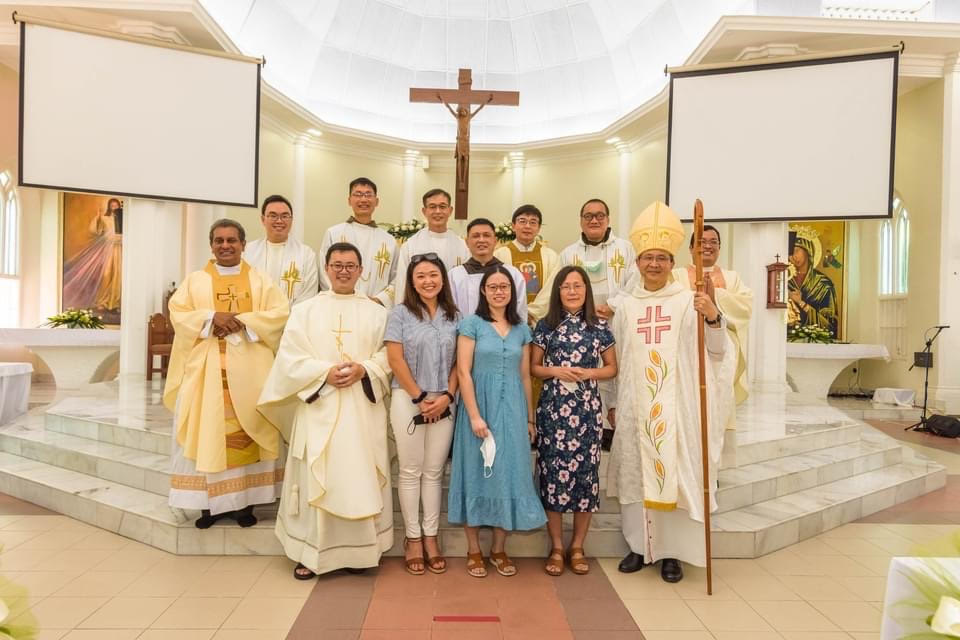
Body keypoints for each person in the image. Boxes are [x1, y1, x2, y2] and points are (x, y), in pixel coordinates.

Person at [607, 201, 736, 583]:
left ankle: (672, 554)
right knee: (634, 474)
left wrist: (712, 315)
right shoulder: (625, 306)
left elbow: (716, 351)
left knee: (675, 475)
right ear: (637, 263)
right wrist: (613, 402)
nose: (654, 265)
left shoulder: (688, 300)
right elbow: (617, 358)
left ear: (671, 261)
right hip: (634, 406)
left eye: (662, 258)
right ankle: (639, 546)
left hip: (675, 407)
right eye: (648, 258)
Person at [258, 242, 393, 579]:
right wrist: (324, 373)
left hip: (361, 409)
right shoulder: (305, 310)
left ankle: (362, 553)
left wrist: (364, 369)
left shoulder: (378, 312)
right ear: (326, 269)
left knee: (359, 475)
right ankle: (310, 553)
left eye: (350, 265)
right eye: (337, 265)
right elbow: (289, 357)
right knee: (319, 478)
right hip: (319, 406)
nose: (344, 271)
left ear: (361, 271)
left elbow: (390, 356)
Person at [165, 219, 289, 528]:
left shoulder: (261, 281)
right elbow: (177, 313)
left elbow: (280, 313)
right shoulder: (195, 281)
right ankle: (209, 505)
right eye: (219, 240)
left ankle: (243, 504)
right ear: (211, 245)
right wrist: (210, 317)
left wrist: (244, 320)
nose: (225, 246)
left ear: (244, 245)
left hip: (251, 372)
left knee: (247, 431)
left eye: (232, 240)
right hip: (207, 374)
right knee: (207, 431)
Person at [447, 267, 546, 578]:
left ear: (511, 291)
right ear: (484, 291)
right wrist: (475, 415)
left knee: (509, 473)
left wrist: (530, 418)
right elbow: (463, 372)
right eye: (493, 286)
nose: (499, 291)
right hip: (478, 408)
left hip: (513, 411)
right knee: (476, 472)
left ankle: (499, 549)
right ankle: (474, 549)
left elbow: (525, 375)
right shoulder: (471, 324)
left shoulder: (521, 330)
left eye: (504, 286)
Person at [529, 198, 637, 450]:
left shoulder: (625, 248)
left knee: (614, 368)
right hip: (574, 322)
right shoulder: (569, 253)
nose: (594, 220)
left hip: (615, 321)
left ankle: (612, 427)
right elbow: (557, 288)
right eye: (588, 216)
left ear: (608, 219)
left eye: (600, 215)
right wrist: (533, 313)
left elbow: (634, 283)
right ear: (581, 221)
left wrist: (612, 305)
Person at [531, 266, 617, 576]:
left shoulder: (599, 326)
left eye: (577, 286)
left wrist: (587, 373)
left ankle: (578, 545)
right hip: (553, 410)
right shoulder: (546, 326)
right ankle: (556, 545)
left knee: (584, 477)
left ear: (586, 290)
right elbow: (535, 367)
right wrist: (557, 370)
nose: (571, 291)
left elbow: (611, 368)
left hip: (587, 411)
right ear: (557, 291)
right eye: (565, 286)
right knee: (553, 476)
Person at [385, 253, 460, 575]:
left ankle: (431, 536)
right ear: (412, 282)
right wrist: (419, 396)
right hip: (407, 399)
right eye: (421, 276)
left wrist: (446, 395)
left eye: (433, 274)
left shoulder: (455, 316)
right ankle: (412, 538)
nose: (428, 281)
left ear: (442, 279)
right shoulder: (400, 314)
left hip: (445, 401)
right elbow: (395, 358)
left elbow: (461, 361)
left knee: (434, 471)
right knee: (410, 469)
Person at [673, 225, 753, 414]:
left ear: (720, 247)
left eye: (713, 242)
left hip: (722, 351)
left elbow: (745, 306)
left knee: (718, 405)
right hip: (687, 348)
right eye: (702, 242)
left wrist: (716, 296)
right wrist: (699, 298)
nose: (708, 246)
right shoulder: (676, 275)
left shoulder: (732, 278)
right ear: (691, 248)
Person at [318, 177, 397, 305]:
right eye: (358, 195)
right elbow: (324, 270)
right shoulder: (333, 233)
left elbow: (396, 279)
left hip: (376, 308)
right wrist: (343, 296)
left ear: (376, 201)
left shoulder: (389, 240)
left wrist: (378, 300)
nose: (363, 199)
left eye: (368, 195)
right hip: (339, 303)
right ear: (349, 200)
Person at [391, 189, 470, 303]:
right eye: (432, 207)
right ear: (424, 211)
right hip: (418, 310)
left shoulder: (463, 246)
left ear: (450, 210)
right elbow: (402, 284)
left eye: (442, 206)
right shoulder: (410, 245)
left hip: (452, 310)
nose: (438, 211)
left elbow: (465, 285)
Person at [244, 194, 319, 305]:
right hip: (256, 319)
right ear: (263, 219)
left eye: (284, 216)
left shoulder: (306, 254)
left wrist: (288, 318)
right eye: (273, 216)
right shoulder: (248, 251)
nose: (279, 221)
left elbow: (309, 295)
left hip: (292, 320)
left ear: (291, 220)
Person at [448, 217, 528, 321]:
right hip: (466, 335)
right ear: (467, 242)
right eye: (476, 236)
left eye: (486, 235)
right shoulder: (455, 275)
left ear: (495, 241)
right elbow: (451, 313)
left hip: (504, 335)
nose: (481, 240)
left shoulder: (512, 274)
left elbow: (520, 312)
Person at [62, 197, 124, 315]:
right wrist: (97, 217)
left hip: (120, 248)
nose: (115, 207)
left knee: (118, 275)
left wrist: (121, 238)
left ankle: (116, 303)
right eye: (113, 206)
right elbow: (95, 231)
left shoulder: (123, 220)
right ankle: (102, 302)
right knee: (107, 274)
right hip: (108, 249)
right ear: (109, 207)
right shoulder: (104, 218)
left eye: (117, 206)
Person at [493, 204, 560, 305]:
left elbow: (551, 289)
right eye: (522, 221)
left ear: (538, 228)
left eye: (533, 222)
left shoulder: (551, 256)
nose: (527, 226)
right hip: (509, 314)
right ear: (513, 226)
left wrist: (534, 312)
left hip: (541, 316)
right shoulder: (499, 255)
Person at [788, 231, 839, 338]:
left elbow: (830, 324)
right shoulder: (785, 280)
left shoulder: (824, 284)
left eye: (796, 251)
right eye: (790, 253)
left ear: (808, 250)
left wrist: (801, 303)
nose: (793, 256)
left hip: (816, 339)